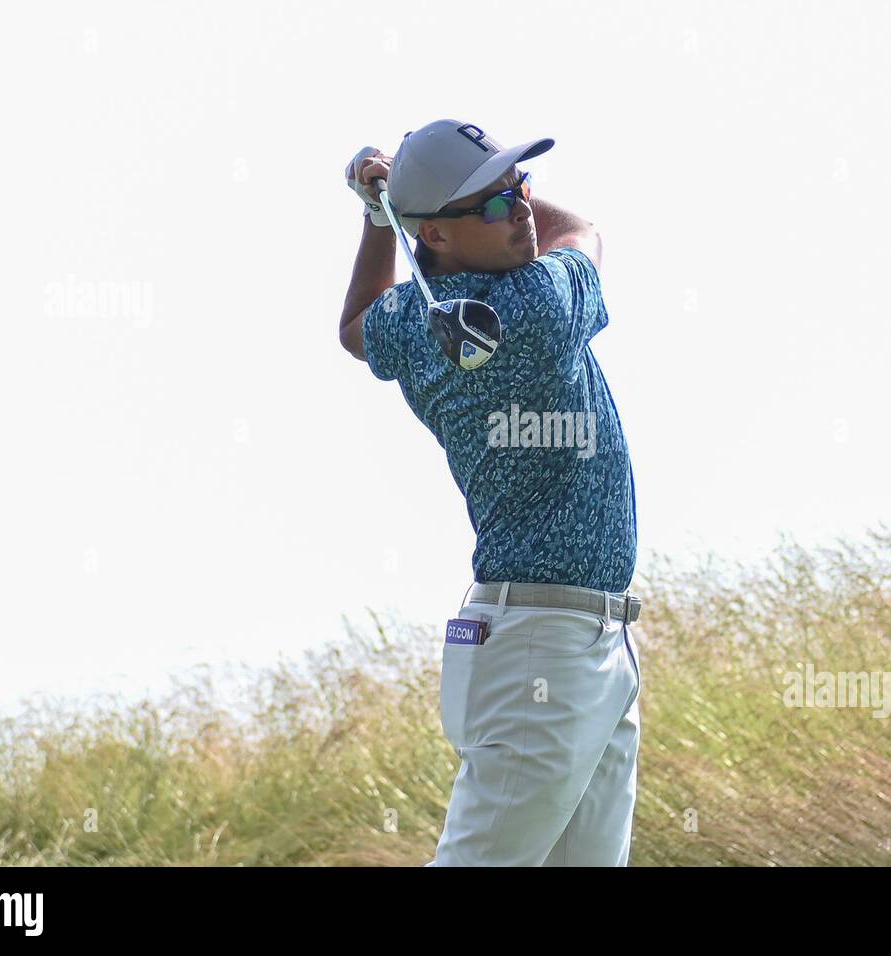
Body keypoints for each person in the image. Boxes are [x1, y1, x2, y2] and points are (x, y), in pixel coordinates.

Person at [338, 119, 641, 866]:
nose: (525, 210)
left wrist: (381, 218)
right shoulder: (538, 306)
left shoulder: (417, 322)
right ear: (435, 236)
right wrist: (395, 210)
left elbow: (354, 325)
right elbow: (585, 230)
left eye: (524, 186)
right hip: (541, 648)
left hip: (586, 640)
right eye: (498, 204)